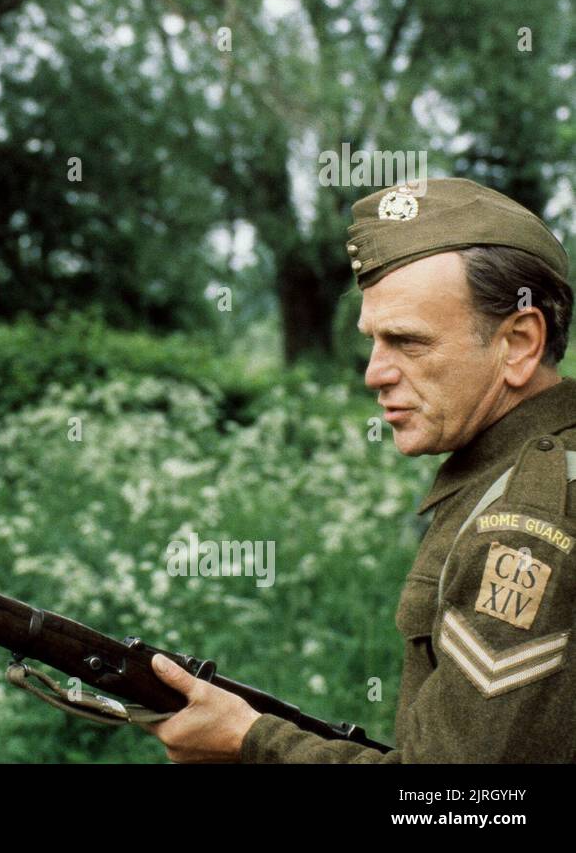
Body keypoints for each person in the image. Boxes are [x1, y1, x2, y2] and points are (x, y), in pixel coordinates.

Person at [141, 179, 576, 763]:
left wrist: (252, 743)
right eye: (373, 341)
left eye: (407, 342)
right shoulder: (519, 469)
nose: (374, 374)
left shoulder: (525, 520)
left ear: (519, 344)